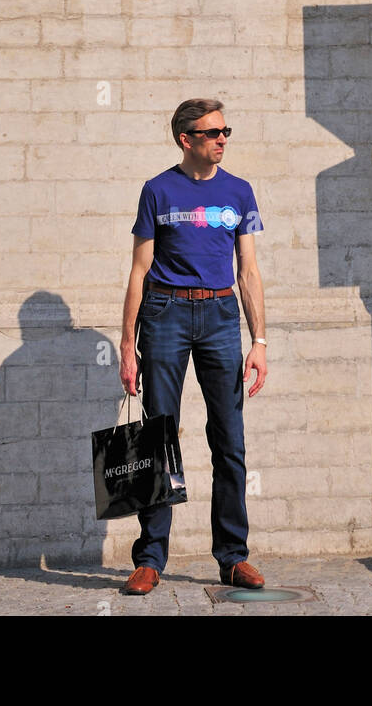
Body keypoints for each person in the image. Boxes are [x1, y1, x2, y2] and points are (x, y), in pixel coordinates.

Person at [118, 97, 268, 594]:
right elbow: (139, 271)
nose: (223, 139)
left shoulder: (239, 192)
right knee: (159, 436)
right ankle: (151, 559)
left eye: (227, 131)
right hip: (164, 314)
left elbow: (248, 271)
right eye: (213, 133)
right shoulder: (157, 191)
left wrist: (259, 340)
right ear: (187, 139)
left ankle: (232, 557)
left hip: (221, 316)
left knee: (229, 439)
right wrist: (126, 345)